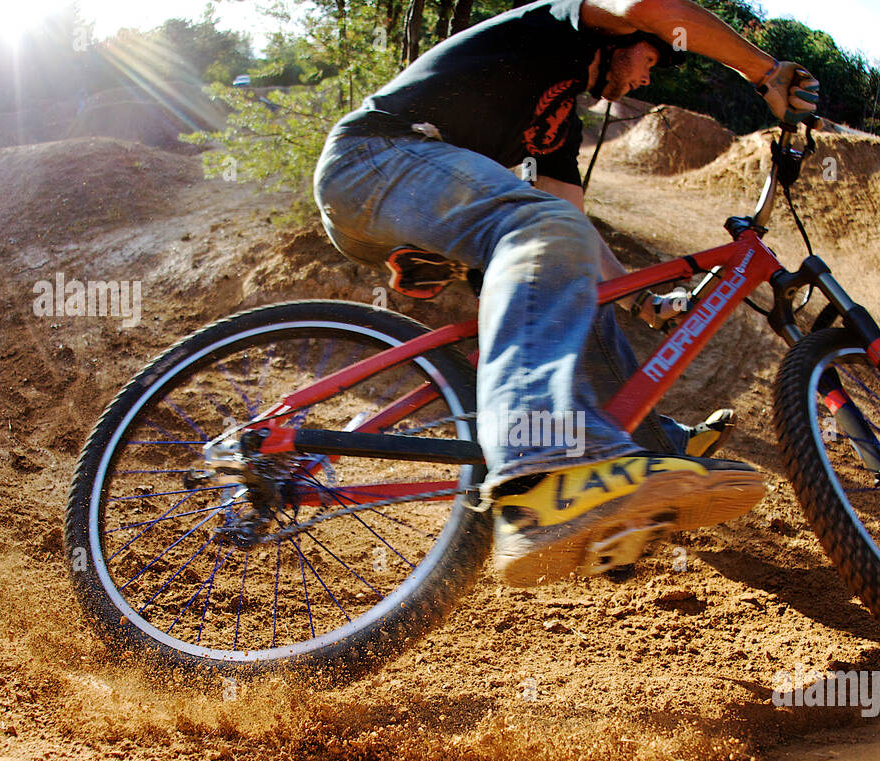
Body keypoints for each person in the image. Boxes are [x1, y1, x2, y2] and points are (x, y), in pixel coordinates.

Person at [313, 0, 819, 586]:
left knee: (570, 269)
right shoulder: (559, 27)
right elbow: (649, 5)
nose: (644, 78)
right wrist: (763, 71)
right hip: (373, 158)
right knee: (542, 229)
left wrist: (636, 299)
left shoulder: (558, 126)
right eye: (648, 60)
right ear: (623, 37)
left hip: (408, 192)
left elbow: (569, 222)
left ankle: (646, 454)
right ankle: (542, 470)